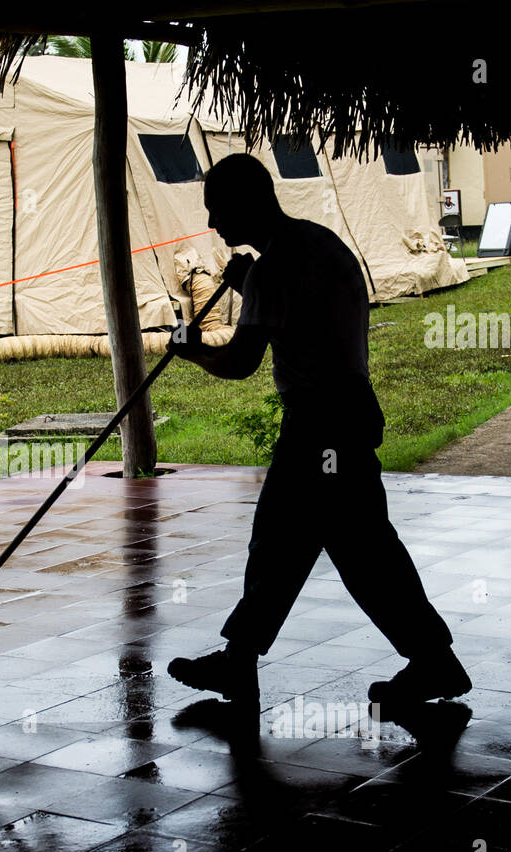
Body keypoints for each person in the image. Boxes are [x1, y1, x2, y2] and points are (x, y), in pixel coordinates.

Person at [166, 153, 470, 713]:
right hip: (350, 413)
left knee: (321, 547)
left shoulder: (274, 268)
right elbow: (305, 312)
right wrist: (250, 284)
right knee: (327, 547)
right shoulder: (320, 243)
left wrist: (191, 350)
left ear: (246, 203)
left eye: (217, 209)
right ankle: (428, 660)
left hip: (317, 427)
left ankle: (428, 660)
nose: (212, 222)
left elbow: (239, 363)